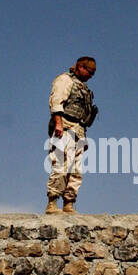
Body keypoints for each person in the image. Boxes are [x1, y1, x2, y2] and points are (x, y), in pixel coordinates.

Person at [46, 56, 98, 214]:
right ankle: (52, 202)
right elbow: (56, 101)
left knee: (76, 169)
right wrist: (58, 124)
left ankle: (69, 203)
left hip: (79, 130)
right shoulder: (65, 80)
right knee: (61, 164)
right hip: (65, 126)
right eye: (89, 72)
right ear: (80, 67)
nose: (91, 76)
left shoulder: (84, 88)